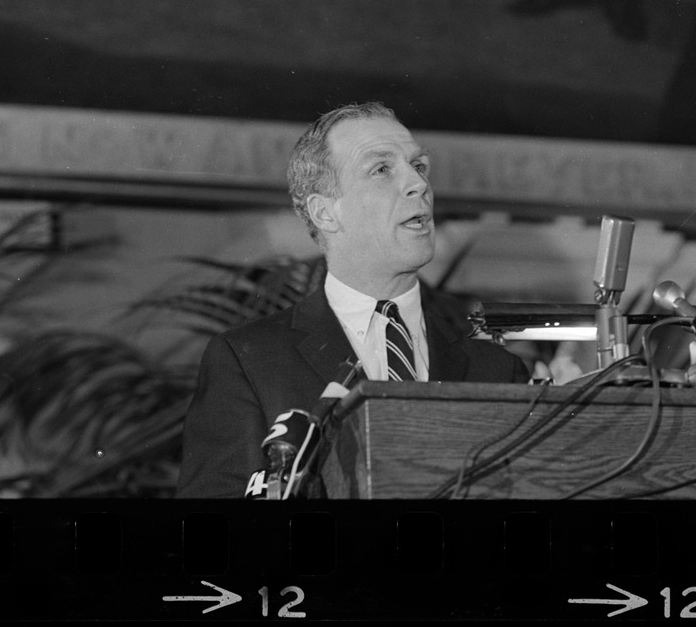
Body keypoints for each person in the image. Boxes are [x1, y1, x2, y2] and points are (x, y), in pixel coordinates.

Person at [175, 102, 529, 498]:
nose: (418, 184)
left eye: (419, 166)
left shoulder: (498, 369)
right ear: (325, 213)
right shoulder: (249, 361)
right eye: (382, 169)